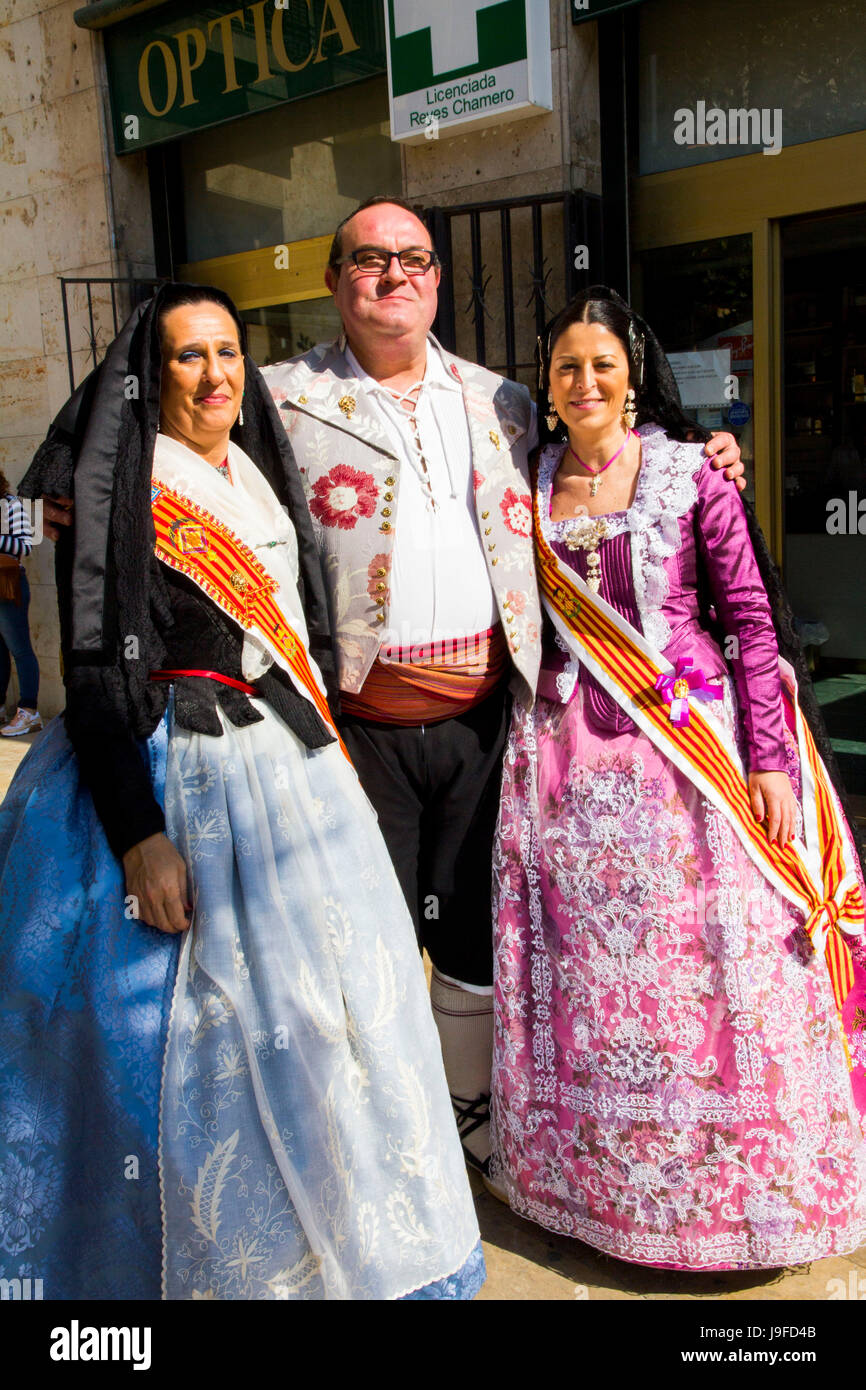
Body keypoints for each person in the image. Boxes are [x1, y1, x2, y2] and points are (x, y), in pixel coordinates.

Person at [0, 283, 485, 1301]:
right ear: (149, 372)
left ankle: (335, 1241)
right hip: (173, 775)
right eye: (187, 357)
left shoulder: (258, 474)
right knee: (186, 1038)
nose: (215, 374)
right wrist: (139, 837)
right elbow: (92, 670)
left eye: (228, 352)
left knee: (328, 1019)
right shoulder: (117, 489)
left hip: (291, 770)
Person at [260, 196, 746, 1177]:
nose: (393, 276)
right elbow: (159, 428)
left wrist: (705, 453)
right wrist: (67, 494)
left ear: (438, 278)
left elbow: (603, 448)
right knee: (367, 943)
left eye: (412, 259)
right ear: (332, 278)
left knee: (477, 938)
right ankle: (380, 1148)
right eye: (368, 260)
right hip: (360, 726)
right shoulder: (276, 398)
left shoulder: (502, 402)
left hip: (491, 722)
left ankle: (470, 1124)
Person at [490, 286, 866, 1268]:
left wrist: (773, 765)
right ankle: (609, 1194)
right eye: (565, 366)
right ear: (547, 382)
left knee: (719, 973)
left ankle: (739, 1201)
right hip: (567, 776)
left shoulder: (689, 473)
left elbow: (745, 618)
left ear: (632, 373)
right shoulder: (520, 482)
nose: (582, 383)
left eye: (601, 365)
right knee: (598, 987)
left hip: (691, 762)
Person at [0, 470, 42, 736]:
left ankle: (29, 710)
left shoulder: (11, 505)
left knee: (20, 648)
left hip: (7, 581)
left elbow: (25, 546)